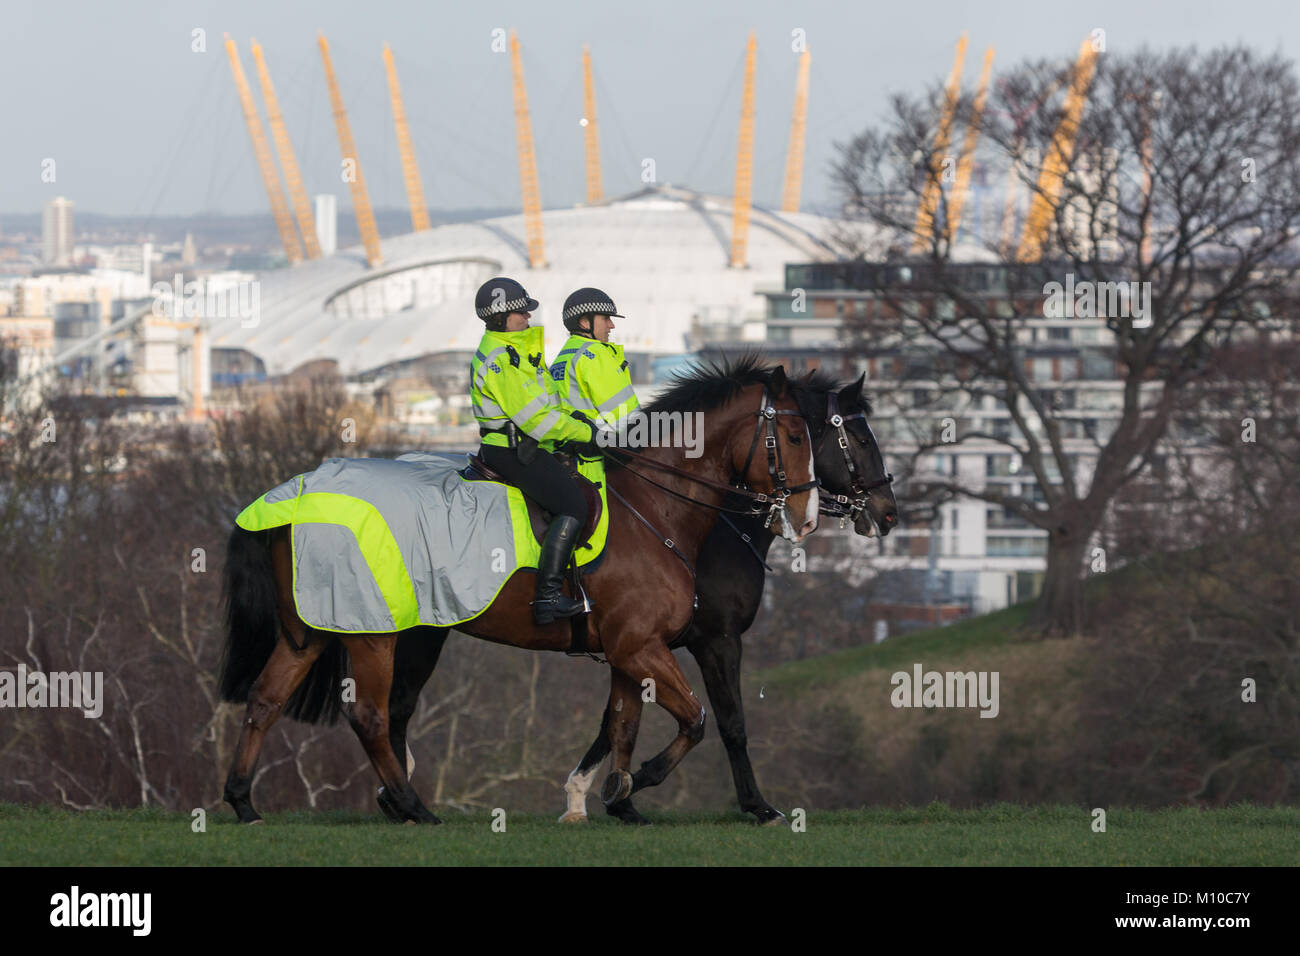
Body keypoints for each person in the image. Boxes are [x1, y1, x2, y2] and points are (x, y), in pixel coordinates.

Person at [469, 277, 598, 624]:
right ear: (500, 318)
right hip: (510, 451)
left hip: (529, 445)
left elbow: (549, 402)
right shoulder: (501, 359)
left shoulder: (520, 350)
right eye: (520, 311)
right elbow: (535, 419)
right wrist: (587, 433)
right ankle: (548, 598)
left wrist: (576, 419)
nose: (528, 315)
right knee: (573, 504)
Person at [549, 287, 640, 434]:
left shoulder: (564, 356)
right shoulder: (595, 354)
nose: (611, 325)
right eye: (606, 318)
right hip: (602, 452)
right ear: (585, 322)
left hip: (572, 451)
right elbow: (627, 419)